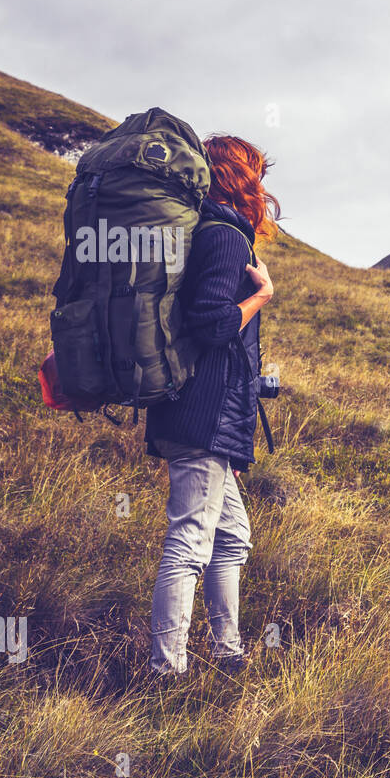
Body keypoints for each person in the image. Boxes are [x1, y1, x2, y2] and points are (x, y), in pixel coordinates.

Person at [144, 135, 279, 677]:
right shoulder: (223, 236)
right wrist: (261, 297)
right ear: (240, 179)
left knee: (233, 537)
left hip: (196, 413)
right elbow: (213, 320)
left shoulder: (205, 231)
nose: (264, 189)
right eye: (257, 174)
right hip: (202, 415)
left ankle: (229, 654)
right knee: (189, 543)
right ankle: (165, 674)